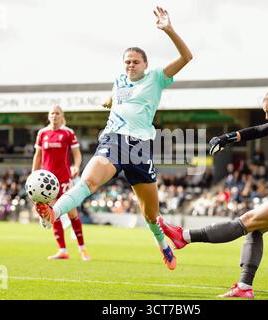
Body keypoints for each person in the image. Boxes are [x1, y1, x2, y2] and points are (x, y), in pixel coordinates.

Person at [35, 6, 192, 270]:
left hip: (140, 149)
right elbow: (115, 96)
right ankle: (54, 213)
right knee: (88, 182)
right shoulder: (119, 80)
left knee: (151, 214)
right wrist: (108, 100)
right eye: (127, 62)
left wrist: (168, 29)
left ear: (145, 65)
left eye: (135, 61)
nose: (130, 65)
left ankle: (163, 246)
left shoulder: (156, 78)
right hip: (114, 140)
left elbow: (187, 56)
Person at [158, 79, 268, 298]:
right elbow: (260, 130)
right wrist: (230, 137)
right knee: (254, 227)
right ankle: (244, 287)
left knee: (246, 220)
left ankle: (183, 236)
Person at [32, 105, 90, 261]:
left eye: (57, 113)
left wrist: (76, 167)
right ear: (48, 116)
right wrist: (33, 175)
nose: (54, 116)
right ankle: (62, 250)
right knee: (52, 213)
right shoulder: (42, 133)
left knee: (72, 213)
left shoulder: (68, 133)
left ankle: (82, 249)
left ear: (62, 116)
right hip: (46, 182)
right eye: (52, 113)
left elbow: (77, 155)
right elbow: (38, 156)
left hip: (64, 179)